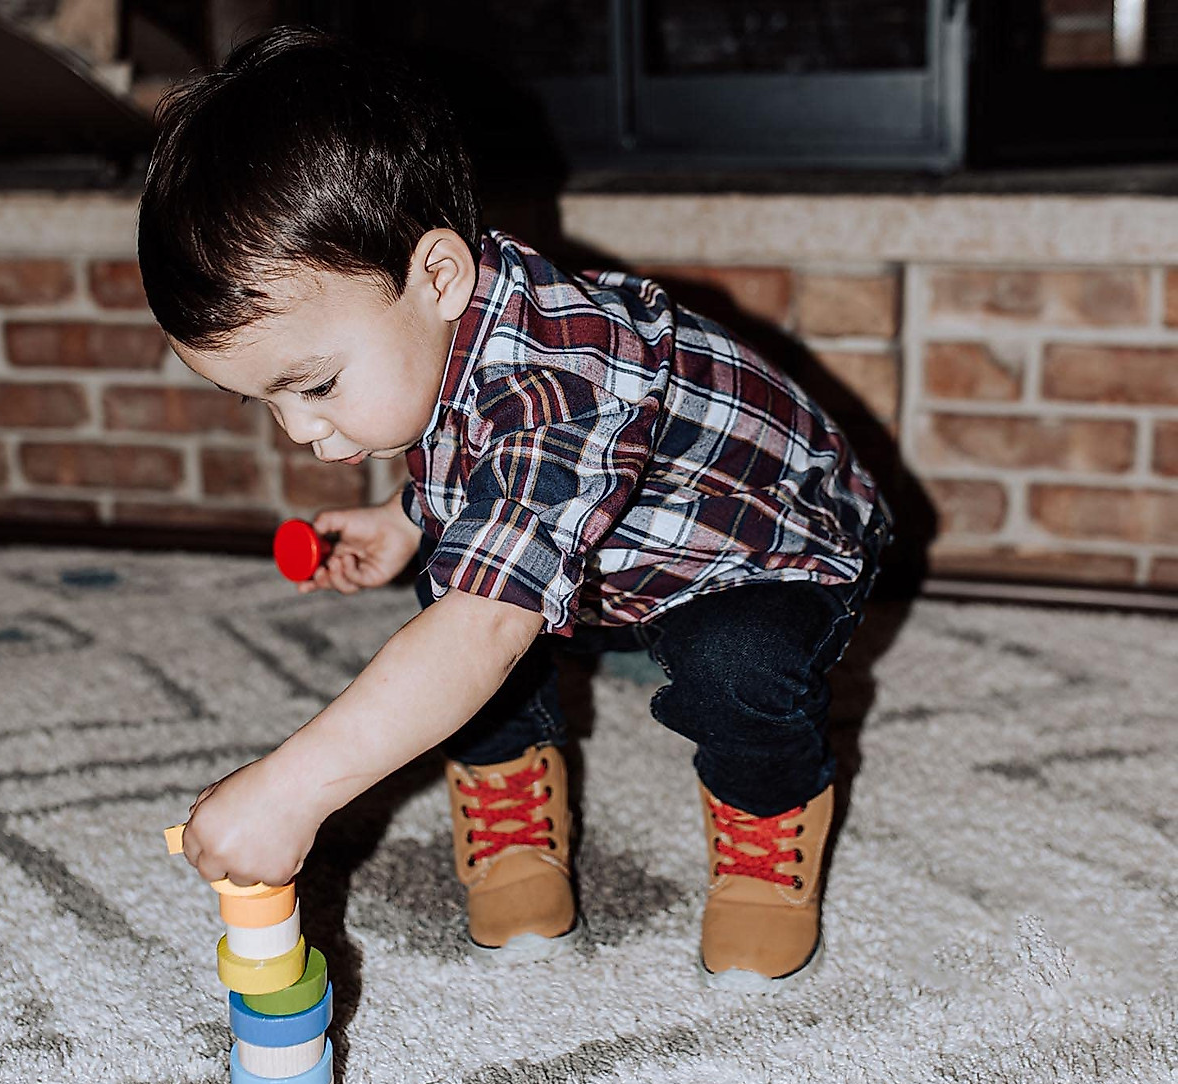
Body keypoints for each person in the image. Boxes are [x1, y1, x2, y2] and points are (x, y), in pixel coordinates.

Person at [138, 26, 890, 990]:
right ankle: (511, 816)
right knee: (452, 580)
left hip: (763, 548)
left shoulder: (563, 382)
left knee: (719, 666)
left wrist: (293, 790)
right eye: (264, 400)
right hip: (611, 552)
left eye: (315, 385)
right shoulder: (442, 318)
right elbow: (473, 452)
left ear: (439, 276)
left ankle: (765, 824)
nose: (297, 432)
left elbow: (489, 614)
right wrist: (404, 518)